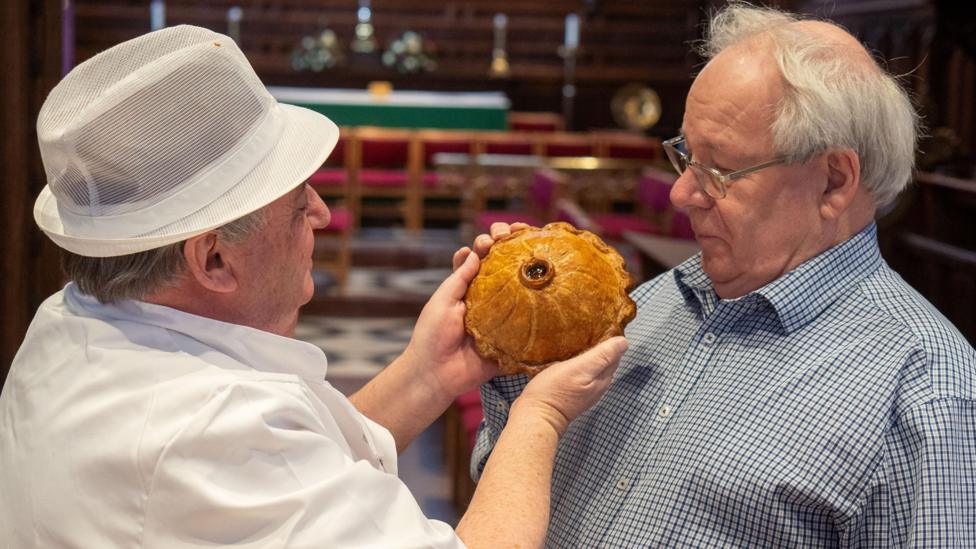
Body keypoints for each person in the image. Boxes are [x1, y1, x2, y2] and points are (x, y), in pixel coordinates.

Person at [0, 25, 629, 548]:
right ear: (214, 260)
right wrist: (540, 414)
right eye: (297, 203)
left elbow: (300, 470)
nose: (324, 214)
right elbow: (251, 452)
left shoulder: (69, 319)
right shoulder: (210, 430)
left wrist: (432, 372)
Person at [473, 3, 976, 547]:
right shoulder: (660, 298)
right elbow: (509, 499)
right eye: (686, 155)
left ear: (833, 181)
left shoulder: (926, 391)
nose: (681, 193)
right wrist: (517, 361)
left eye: (718, 169)